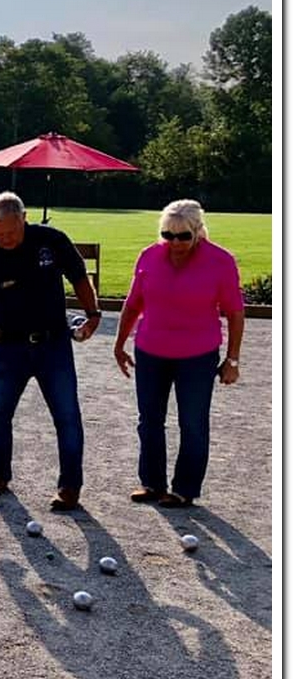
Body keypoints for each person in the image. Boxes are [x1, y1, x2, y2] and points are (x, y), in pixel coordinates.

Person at [0, 192, 102, 512]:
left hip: (53, 345)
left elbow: (78, 276)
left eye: (10, 231)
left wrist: (93, 314)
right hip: (8, 346)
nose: (5, 239)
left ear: (24, 218)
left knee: (66, 415)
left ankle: (70, 486)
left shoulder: (52, 241)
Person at [112, 200, 245, 508]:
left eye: (183, 236)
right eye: (167, 235)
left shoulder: (220, 261)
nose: (174, 243)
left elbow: (235, 313)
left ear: (198, 232)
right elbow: (133, 304)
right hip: (151, 350)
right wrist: (119, 344)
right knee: (149, 420)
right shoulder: (149, 256)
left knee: (193, 422)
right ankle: (152, 483)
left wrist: (232, 359)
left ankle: (184, 488)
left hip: (198, 354)